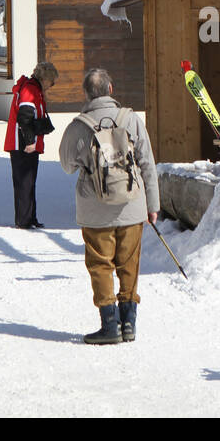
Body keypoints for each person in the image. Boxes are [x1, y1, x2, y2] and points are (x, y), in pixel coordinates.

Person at [59, 67, 159, 346]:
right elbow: (147, 163)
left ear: (87, 94)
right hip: (132, 204)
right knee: (129, 264)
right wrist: (153, 204)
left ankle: (109, 325)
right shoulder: (131, 120)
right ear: (111, 90)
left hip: (95, 209)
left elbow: (67, 166)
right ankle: (129, 323)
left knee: (101, 265)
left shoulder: (78, 126)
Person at [4, 61, 58, 229]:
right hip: (23, 144)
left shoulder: (32, 88)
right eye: (52, 82)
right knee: (24, 182)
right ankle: (24, 220)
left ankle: (29, 217)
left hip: (25, 143)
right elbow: (25, 117)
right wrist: (30, 142)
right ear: (45, 78)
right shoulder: (30, 90)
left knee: (28, 181)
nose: (52, 85)